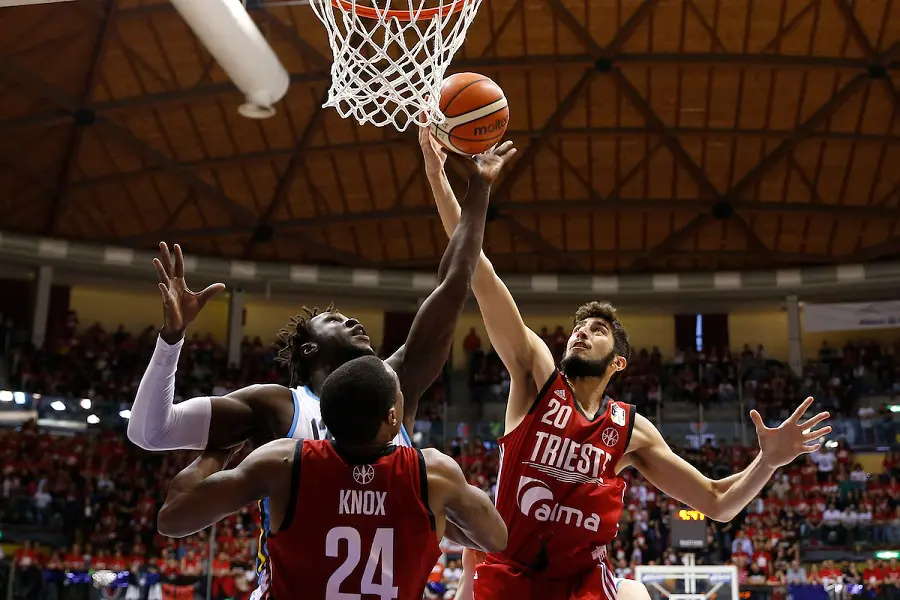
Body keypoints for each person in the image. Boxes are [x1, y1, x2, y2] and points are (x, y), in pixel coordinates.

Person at [419, 127, 832, 600]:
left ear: (618, 362)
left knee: (635, 593)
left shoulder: (630, 430)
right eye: (580, 327)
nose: (582, 332)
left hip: (583, 585)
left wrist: (768, 462)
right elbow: (479, 272)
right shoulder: (535, 375)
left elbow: (717, 503)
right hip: (512, 576)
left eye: (597, 331)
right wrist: (438, 174)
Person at [129, 137, 517, 597]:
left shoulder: (391, 383)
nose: (352, 319)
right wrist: (171, 340)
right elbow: (150, 433)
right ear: (310, 350)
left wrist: (479, 189)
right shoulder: (276, 406)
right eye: (334, 319)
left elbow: (453, 286)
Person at [156, 355, 508, 600]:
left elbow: (173, 518)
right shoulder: (433, 473)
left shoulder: (283, 462)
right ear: (392, 417)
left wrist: (218, 451)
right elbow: (496, 537)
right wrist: (437, 520)